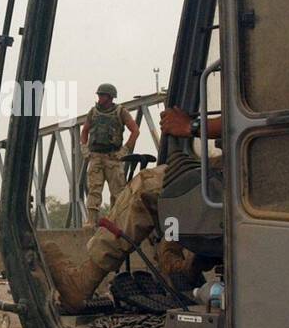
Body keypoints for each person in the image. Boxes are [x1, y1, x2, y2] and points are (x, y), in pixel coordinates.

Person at [43, 106, 223, 310]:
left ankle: (83, 281)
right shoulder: (94, 112)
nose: (104, 99)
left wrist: (192, 125)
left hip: (247, 175)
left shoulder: (118, 112)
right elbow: (86, 131)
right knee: (174, 188)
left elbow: (257, 113)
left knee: (148, 185)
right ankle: (177, 265)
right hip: (251, 173)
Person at [81, 83, 139, 227]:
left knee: (118, 192)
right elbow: (85, 131)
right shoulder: (93, 112)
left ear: (110, 97)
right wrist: (84, 148)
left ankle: (117, 221)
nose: (99, 97)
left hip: (113, 157)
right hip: (96, 157)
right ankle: (91, 220)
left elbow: (135, 131)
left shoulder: (121, 112)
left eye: (102, 95)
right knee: (94, 189)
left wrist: (124, 151)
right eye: (99, 95)